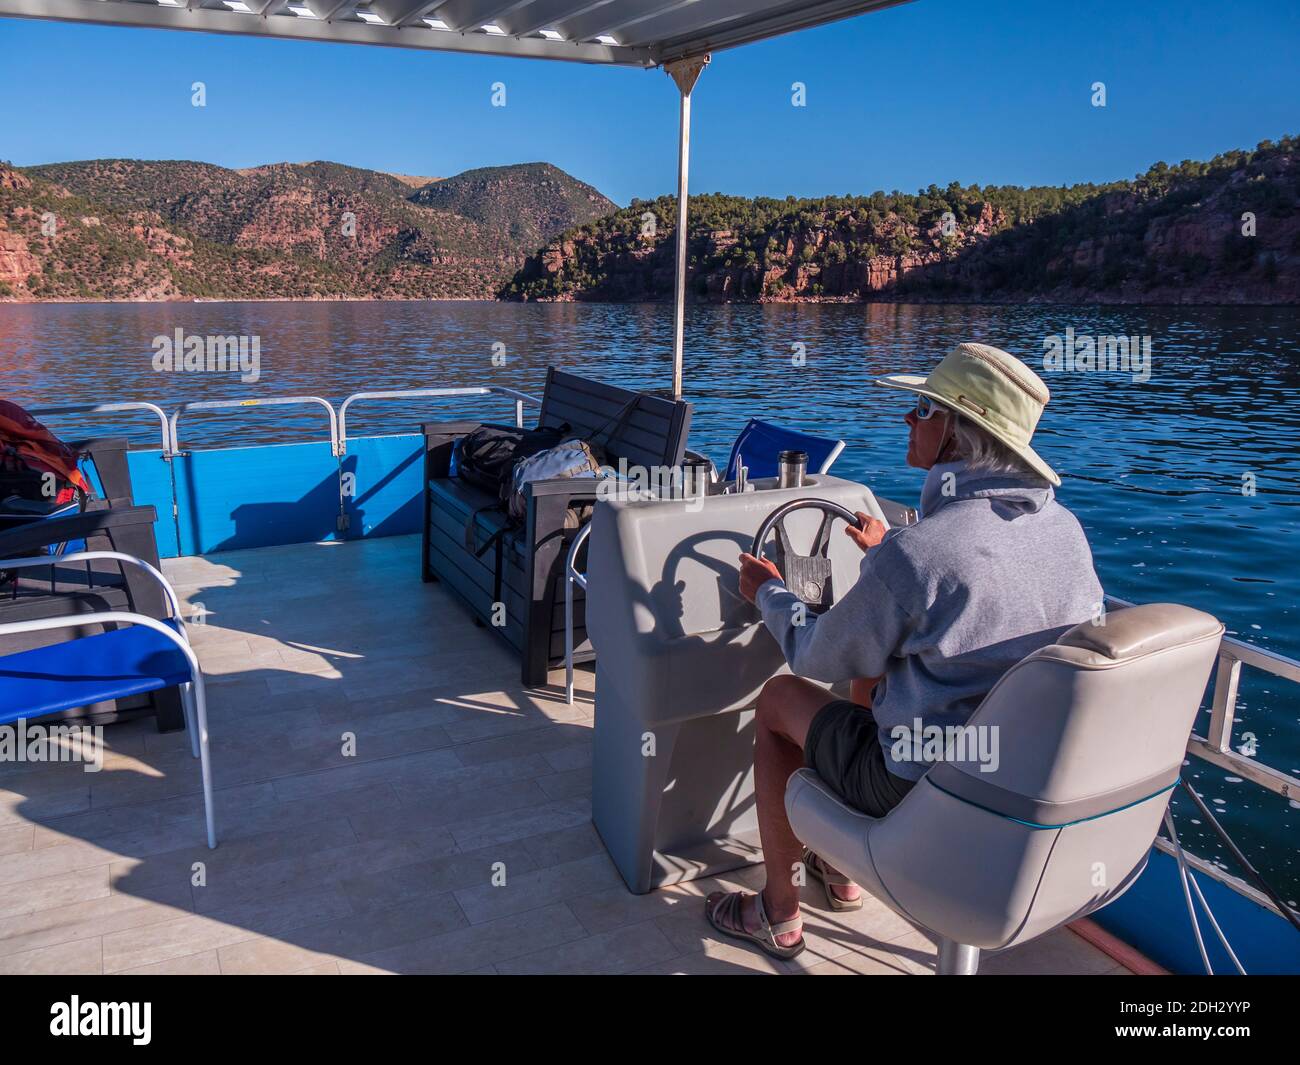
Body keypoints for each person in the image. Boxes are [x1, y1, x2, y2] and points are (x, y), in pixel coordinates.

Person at [705, 342, 1104, 960]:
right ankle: (837, 873)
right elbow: (972, 598)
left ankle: (776, 912)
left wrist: (771, 593)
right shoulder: (1066, 533)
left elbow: (814, 654)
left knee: (781, 698)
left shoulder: (920, 555)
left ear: (957, 432)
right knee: (874, 675)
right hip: (1019, 782)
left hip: (925, 787)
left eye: (923, 408)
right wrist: (886, 556)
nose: (907, 419)